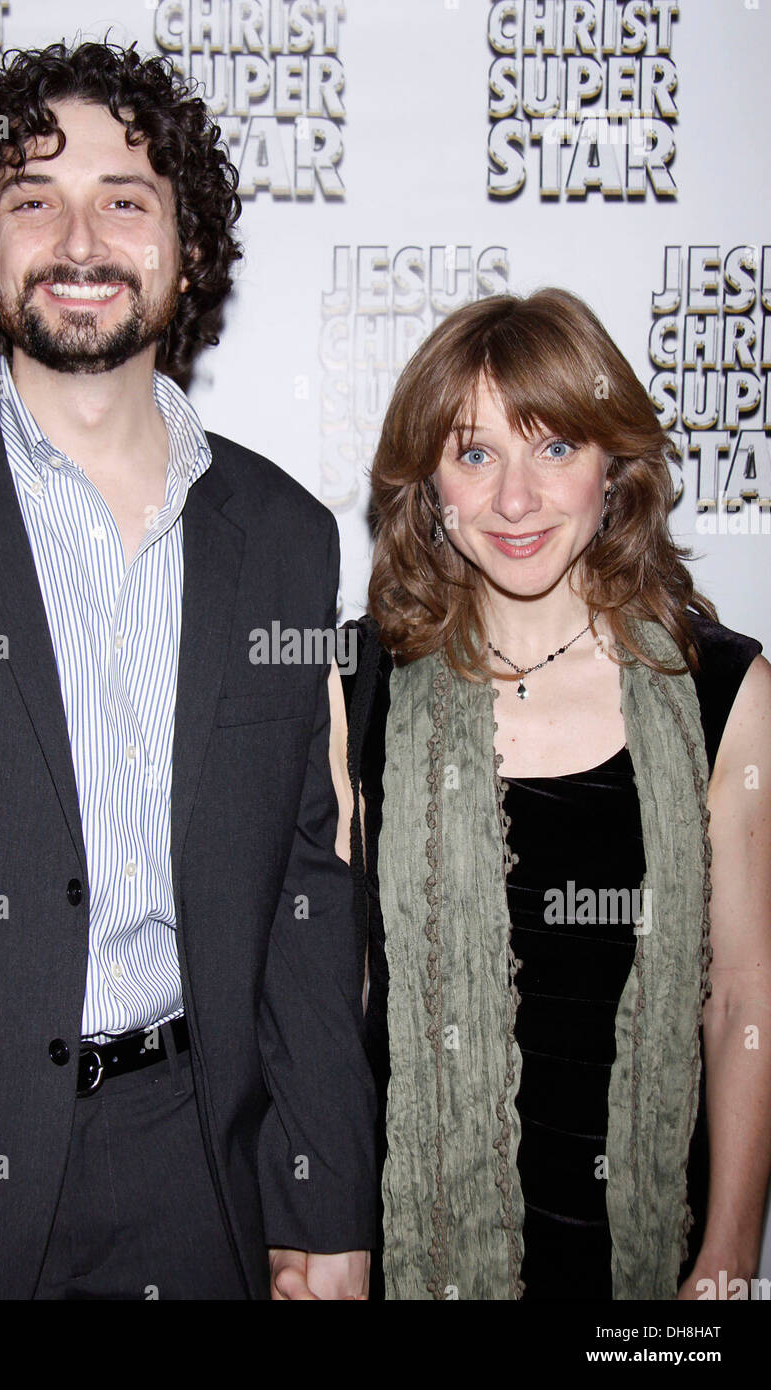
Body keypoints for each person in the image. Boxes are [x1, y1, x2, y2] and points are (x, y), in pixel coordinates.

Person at [0, 40, 375, 1301]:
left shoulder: (287, 537)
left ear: (186, 254)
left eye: (126, 199)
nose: (80, 236)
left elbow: (308, 893)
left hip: (194, 1166)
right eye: (34, 199)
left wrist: (327, 1193)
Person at [339, 288, 771, 1300]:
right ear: (428, 485)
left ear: (616, 470)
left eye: (555, 448)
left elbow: (744, 998)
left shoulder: (723, 693)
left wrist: (729, 1257)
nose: (517, 501)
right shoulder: (356, 689)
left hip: (641, 1262)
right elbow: (335, 998)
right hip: (407, 1250)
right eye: (476, 453)